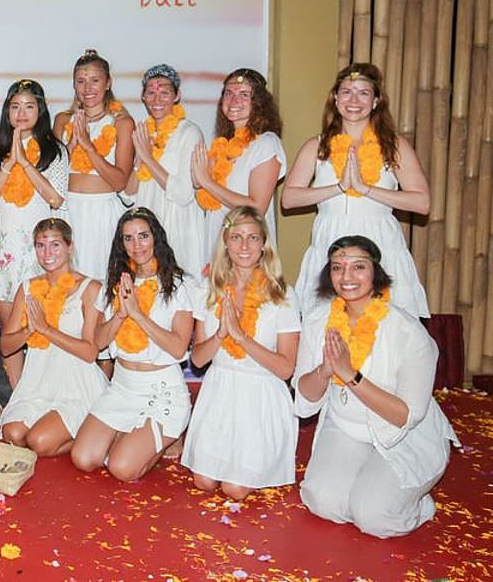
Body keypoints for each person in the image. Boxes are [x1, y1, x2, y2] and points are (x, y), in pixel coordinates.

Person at [294, 235, 458, 537]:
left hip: (404, 436)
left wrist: (351, 375)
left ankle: (417, 504)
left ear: (376, 273)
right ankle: (366, 488)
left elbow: (405, 416)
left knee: (374, 518)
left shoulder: (407, 331)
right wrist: (325, 370)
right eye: (337, 267)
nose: (347, 277)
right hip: (345, 427)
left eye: (358, 267)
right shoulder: (318, 321)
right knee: (323, 502)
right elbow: (304, 398)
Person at [282, 63, 430, 318]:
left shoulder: (394, 146)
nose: (354, 100)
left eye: (363, 93)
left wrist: (365, 189)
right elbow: (289, 198)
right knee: (325, 328)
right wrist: (339, 187)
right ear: (336, 99)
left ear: (375, 101)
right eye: (347, 92)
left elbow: (422, 203)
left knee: (385, 329)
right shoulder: (316, 146)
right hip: (330, 240)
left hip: (380, 242)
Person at [181, 206, 300, 501]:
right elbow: (197, 360)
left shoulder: (283, 294)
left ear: (263, 244)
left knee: (234, 489)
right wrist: (222, 334)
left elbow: (286, 369)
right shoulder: (209, 291)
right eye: (236, 237)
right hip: (220, 391)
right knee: (204, 483)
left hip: (260, 396)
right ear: (225, 242)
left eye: (252, 238)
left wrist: (242, 338)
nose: (244, 247)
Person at [71, 207, 194, 481]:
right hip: (122, 387)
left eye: (142, 236)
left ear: (156, 238)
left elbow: (177, 348)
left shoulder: (178, 285)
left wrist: (138, 313)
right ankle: (137, 437)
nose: (136, 245)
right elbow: (99, 344)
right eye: (128, 238)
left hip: (161, 390)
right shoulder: (116, 283)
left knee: (121, 469)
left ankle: (166, 435)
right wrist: (121, 314)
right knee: (83, 458)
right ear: (120, 244)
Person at [0, 79, 68, 387]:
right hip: (6, 253)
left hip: (40, 255)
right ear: (7, 112)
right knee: (11, 331)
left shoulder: (55, 151)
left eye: (29, 106)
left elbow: (56, 198)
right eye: (15, 107)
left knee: (43, 327)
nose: (22, 113)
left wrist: (26, 164)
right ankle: (18, 398)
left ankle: (45, 393)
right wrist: (8, 164)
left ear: (40, 111)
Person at [0, 218, 108, 457]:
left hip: (76, 384)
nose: (47, 253)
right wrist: (30, 330)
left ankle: (93, 438)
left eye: (55, 245)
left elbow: (90, 352)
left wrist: (47, 330)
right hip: (37, 382)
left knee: (39, 442)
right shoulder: (27, 288)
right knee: (13, 434)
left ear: (70, 246)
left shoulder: (90, 288)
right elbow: (6, 347)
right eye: (40, 245)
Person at [52, 49, 135, 281]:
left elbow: (120, 181)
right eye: (81, 81)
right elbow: (52, 175)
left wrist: (89, 147)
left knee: (99, 282)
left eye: (95, 81)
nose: (87, 88)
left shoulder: (122, 123)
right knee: (65, 282)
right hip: (67, 210)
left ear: (108, 83)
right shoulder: (62, 120)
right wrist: (70, 146)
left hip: (101, 213)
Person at [191, 69, 285, 260]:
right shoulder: (222, 145)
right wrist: (198, 180)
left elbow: (257, 207)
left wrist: (207, 182)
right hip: (217, 242)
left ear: (259, 103)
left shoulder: (266, 143)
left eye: (244, 94)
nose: (234, 101)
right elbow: (201, 188)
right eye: (229, 93)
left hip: (247, 248)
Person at [127, 64, 206, 277]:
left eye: (164, 93)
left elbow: (183, 193)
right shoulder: (144, 131)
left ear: (177, 95)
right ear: (143, 97)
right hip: (146, 226)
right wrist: (139, 160)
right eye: (151, 92)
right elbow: (128, 193)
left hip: (177, 224)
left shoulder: (189, 132)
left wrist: (147, 157)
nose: (157, 99)